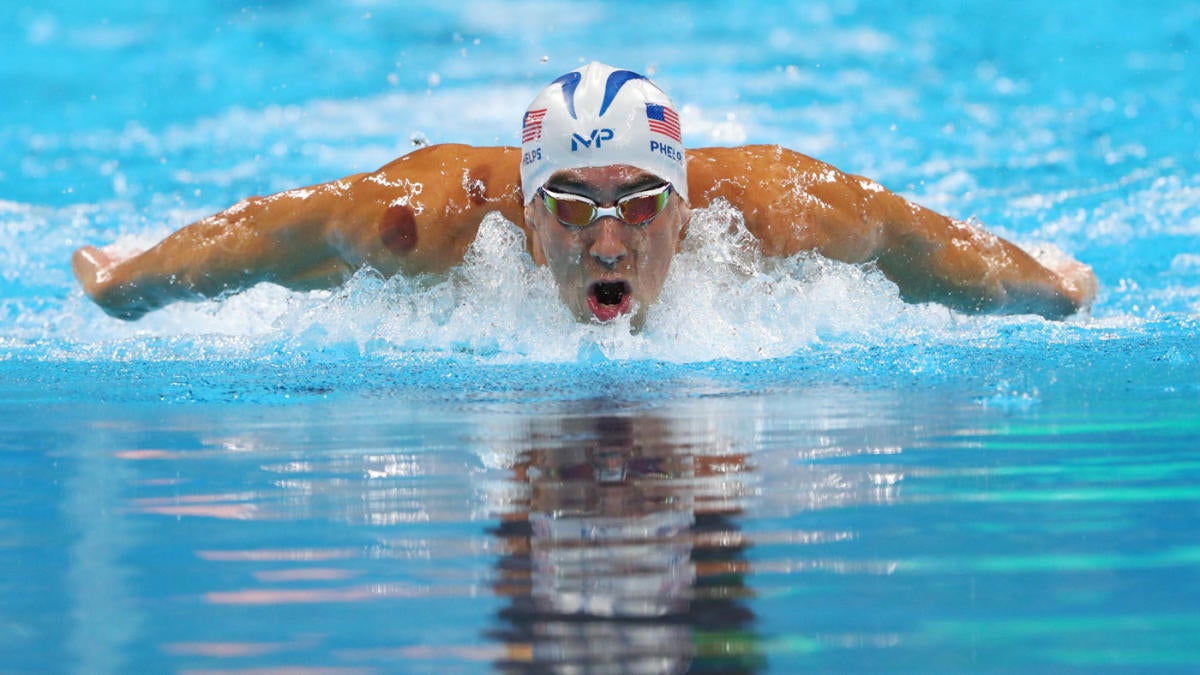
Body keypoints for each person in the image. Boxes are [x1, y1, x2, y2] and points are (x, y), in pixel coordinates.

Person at [72, 61, 1097, 326]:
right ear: (525, 210)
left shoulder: (779, 209)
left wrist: (1046, 287)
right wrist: (133, 285)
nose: (608, 240)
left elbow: (926, 248)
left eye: (639, 200)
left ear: (688, 205)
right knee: (331, 271)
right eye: (570, 201)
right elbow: (264, 234)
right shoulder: (427, 220)